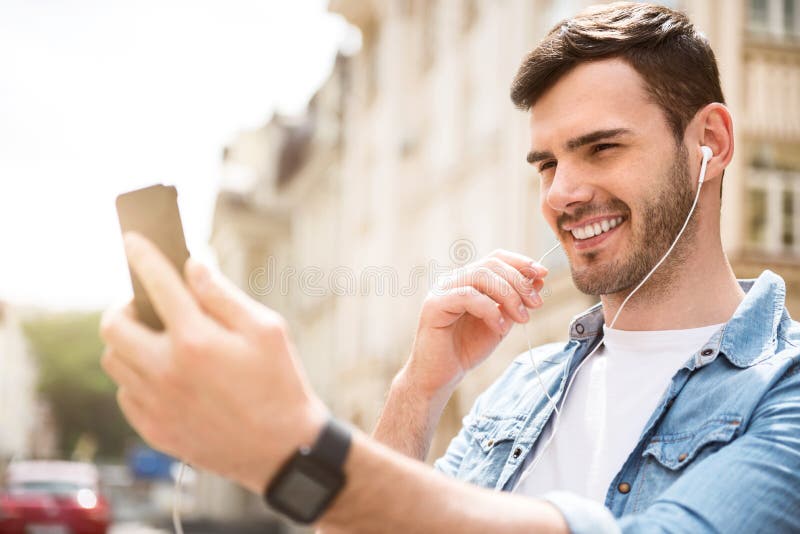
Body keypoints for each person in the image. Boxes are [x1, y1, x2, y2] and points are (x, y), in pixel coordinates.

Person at [100, 2, 800, 532]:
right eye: (548, 163)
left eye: (601, 148)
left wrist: (295, 446)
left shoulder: (784, 391)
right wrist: (418, 388)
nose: (561, 192)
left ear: (709, 142)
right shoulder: (525, 388)